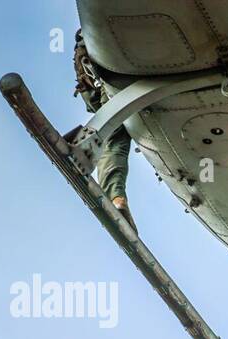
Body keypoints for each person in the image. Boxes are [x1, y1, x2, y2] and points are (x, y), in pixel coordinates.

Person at [72, 30, 135, 230]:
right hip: (107, 69)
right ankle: (116, 199)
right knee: (115, 140)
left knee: (114, 138)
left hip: (100, 71)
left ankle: (116, 199)